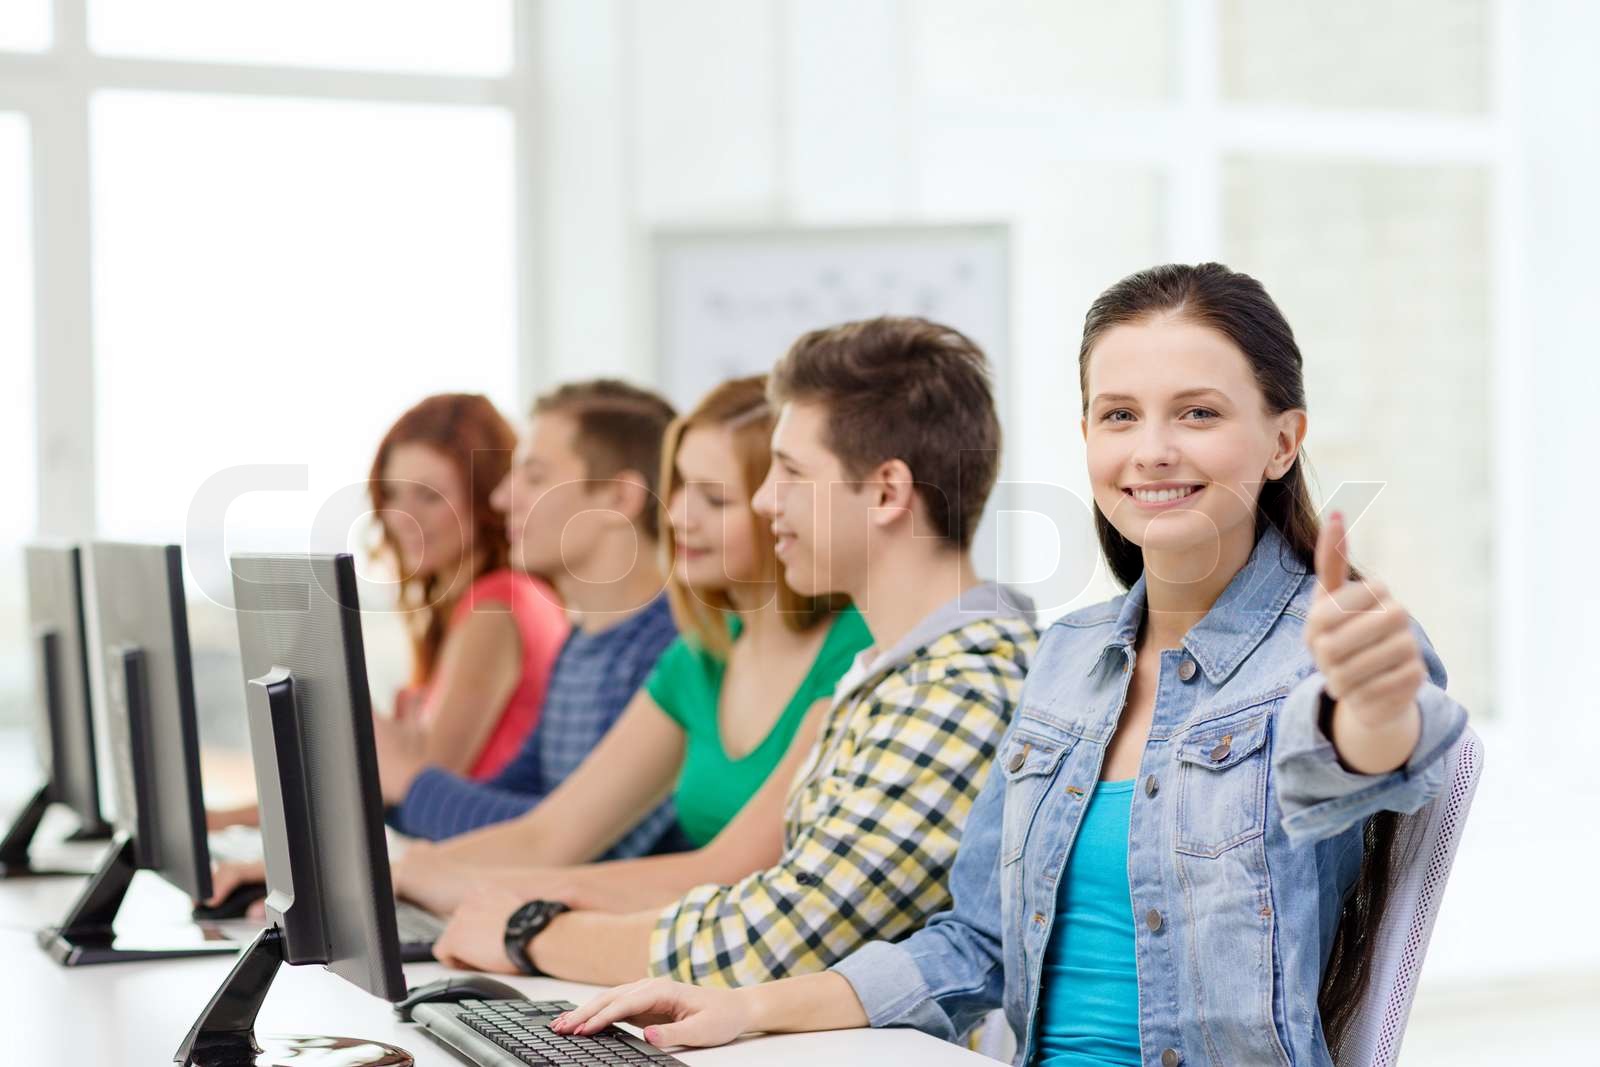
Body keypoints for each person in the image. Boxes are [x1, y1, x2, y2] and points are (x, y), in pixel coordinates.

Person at [549, 264, 1473, 1067]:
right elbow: (976, 941)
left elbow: (1374, 748)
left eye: (1198, 412)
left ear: (1282, 440)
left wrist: (1374, 705)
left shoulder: (1332, 646)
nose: (1152, 447)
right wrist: (750, 1006)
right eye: (1119, 415)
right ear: (1087, 438)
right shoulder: (1069, 658)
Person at [429, 316, 1040, 989]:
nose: (762, 499)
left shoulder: (961, 684)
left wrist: (531, 932)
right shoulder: (889, 673)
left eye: (790, 472)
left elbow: (775, 935)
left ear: (888, 492)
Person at [392, 375, 873, 913]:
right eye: (680, 488)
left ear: (776, 506)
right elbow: (550, 834)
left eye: (714, 499)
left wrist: (479, 889)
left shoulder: (854, 651)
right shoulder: (699, 656)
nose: (680, 517)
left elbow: (728, 873)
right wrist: (400, 874)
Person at [203, 380, 683, 911]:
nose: (504, 498)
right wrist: (344, 865)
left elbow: (573, 844)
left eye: (536, 476)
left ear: (620, 496)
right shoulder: (584, 644)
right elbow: (530, 816)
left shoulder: (669, 654)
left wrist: (400, 784)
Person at [206, 392, 569, 831]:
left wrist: (227, 820)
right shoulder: (497, 599)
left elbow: (415, 785)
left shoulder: (495, 606)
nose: (403, 518)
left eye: (429, 497)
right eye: (393, 495)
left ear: (486, 498)